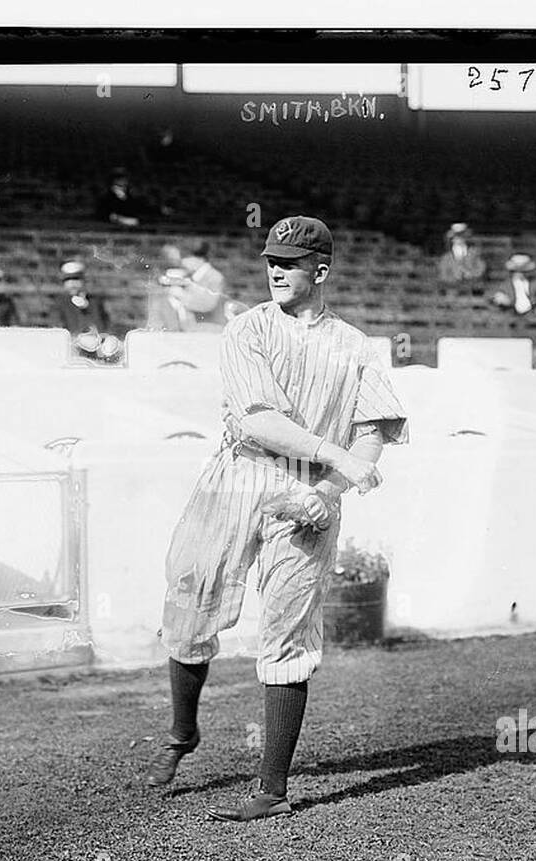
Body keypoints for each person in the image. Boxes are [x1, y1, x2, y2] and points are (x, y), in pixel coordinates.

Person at [146, 215, 408, 822]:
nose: (276, 271)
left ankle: (272, 788)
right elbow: (258, 419)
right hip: (241, 472)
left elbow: (371, 436)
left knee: (289, 630)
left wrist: (333, 489)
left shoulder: (356, 347)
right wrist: (336, 455)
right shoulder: (246, 329)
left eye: (289, 263)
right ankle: (182, 734)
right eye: (271, 260)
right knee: (192, 598)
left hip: (309, 492)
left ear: (320, 271)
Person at [55, 260, 122, 362]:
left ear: (83, 280)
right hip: (73, 354)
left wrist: (87, 307)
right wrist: (77, 340)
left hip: (98, 352)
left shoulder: (95, 301)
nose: (72, 283)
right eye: (68, 279)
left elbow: (104, 326)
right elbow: (59, 330)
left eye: (76, 278)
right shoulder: (60, 304)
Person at [94, 167, 169, 227]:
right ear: (114, 180)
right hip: (113, 230)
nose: (124, 181)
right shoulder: (105, 198)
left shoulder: (130, 196)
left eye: (125, 179)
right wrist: (116, 218)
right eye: (120, 179)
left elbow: (142, 207)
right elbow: (101, 214)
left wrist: (159, 209)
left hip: (133, 228)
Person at [491, 254, 536, 318]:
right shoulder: (504, 284)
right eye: (516, 270)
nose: (519, 273)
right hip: (509, 314)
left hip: (533, 315)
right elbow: (493, 295)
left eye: (523, 271)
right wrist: (499, 298)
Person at [436, 222, 487, 295]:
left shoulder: (474, 254)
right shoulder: (446, 258)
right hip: (452, 288)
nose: (459, 239)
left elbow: (481, 269)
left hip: (471, 287)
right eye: (456, 237)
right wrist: (454, 279)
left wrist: (471, 275)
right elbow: (443, 275)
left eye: (462, 237)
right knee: (450, 294)